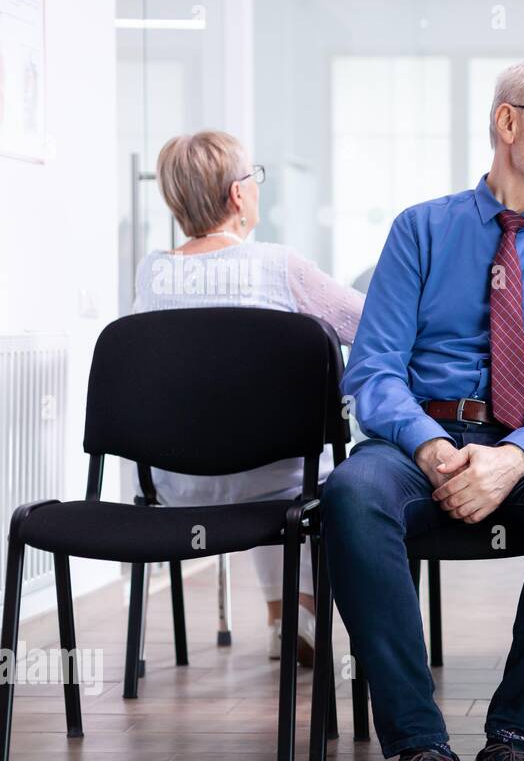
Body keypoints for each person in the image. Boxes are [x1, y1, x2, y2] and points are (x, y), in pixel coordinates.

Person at [321, 59, 524, 761]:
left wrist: (513, 458)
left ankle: (513, 747)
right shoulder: (421, 230)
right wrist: (429, 447)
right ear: (507, 122)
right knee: (351, 493)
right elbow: (373, 370)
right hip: (421, 438)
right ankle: (423, 752)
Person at [133, 130, 365, 666]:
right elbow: (372, 326)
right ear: (238, 195)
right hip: (277, 481)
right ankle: (299, 615)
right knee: (296, 470)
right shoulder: (279, 267)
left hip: (177, 487)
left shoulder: (151, 274)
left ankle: (285, 619)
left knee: (245, 447)